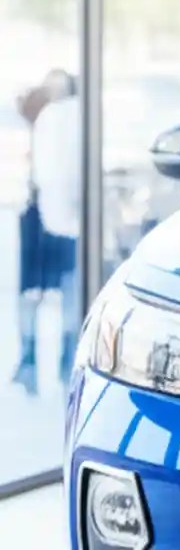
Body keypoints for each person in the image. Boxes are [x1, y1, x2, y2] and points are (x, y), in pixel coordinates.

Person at [11, 69, 81, 396]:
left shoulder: (55, 118)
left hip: (48, 216)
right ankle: (60, 362)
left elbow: (49, 174)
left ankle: (34, 362)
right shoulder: (68, 117)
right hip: (58, 217)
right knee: (66, 288)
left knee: (38, 292)